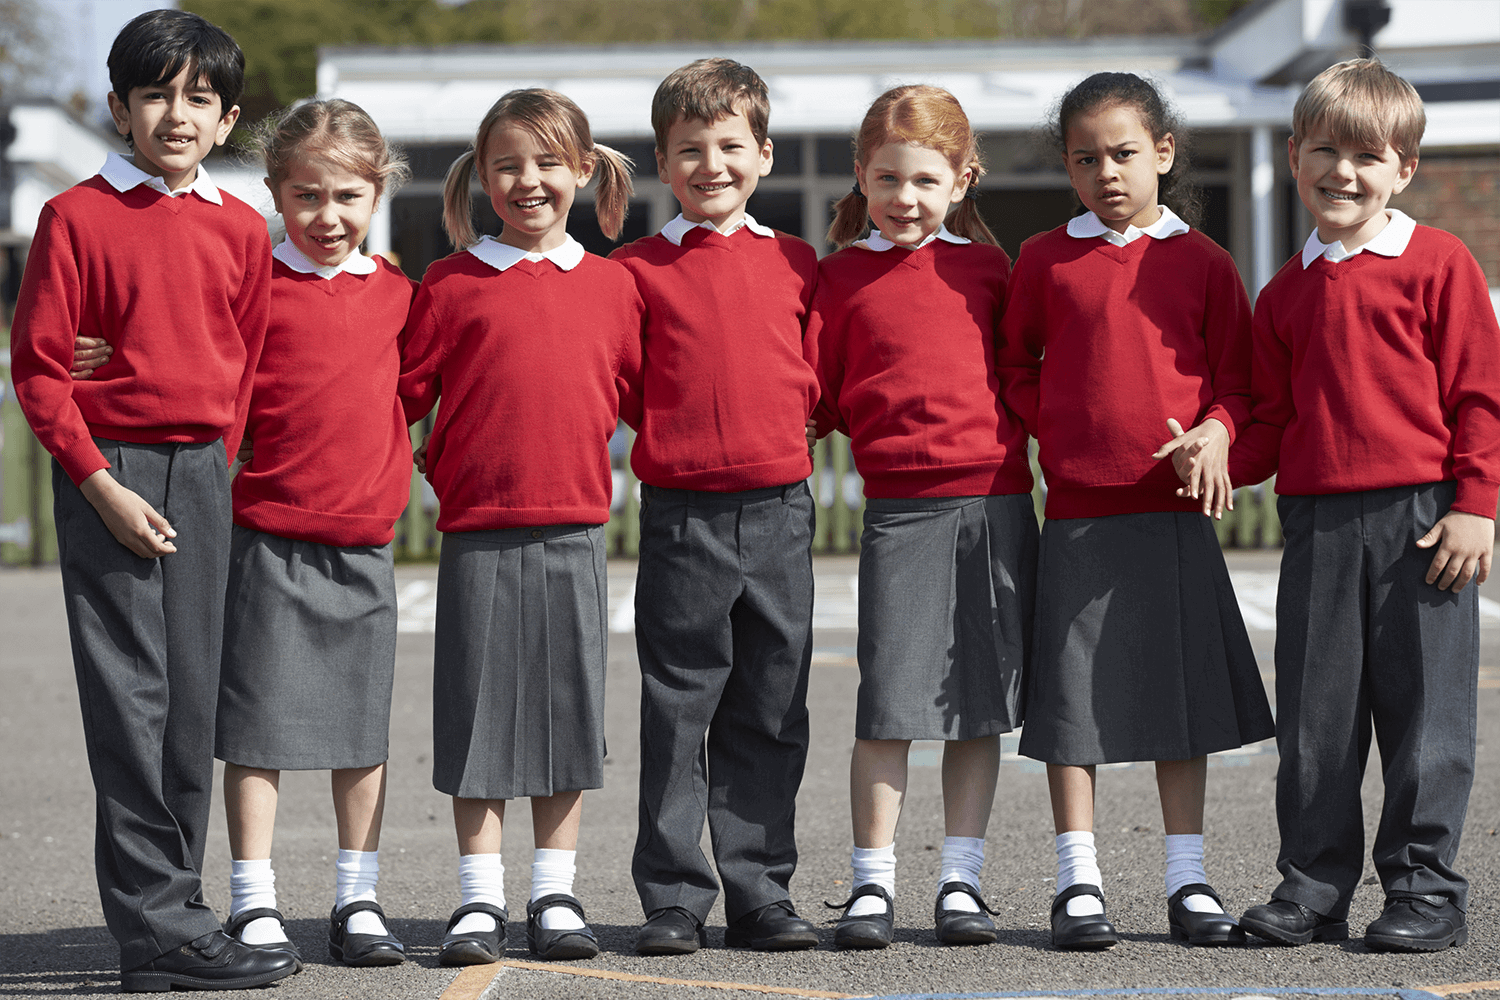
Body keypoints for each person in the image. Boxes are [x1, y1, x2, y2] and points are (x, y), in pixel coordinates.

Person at [6, 9, 296, 992]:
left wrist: (215, 463)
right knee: (130, 705)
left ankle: (177, 917)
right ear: (123, 109)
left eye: (199, 98)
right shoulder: (75, 217)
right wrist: (102, 486)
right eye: (156, 94)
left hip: (200, 473)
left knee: (186, 709)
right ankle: (157, 926)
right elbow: (42, 372)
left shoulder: (241, 227)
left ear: (226, 120)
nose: (177, 113)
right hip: (109, 471)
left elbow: (246, 361)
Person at [998, 71, 1275, 951]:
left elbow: (1240, 385)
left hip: (1175, 516)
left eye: (1123, 153)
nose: (1106, 173)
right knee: (1071, 704)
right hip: (1079, 514)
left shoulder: (1203, 261)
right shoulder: (1044, 258)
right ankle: (1077, 881)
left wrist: (1218, 431)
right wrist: (1064, 428)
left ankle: (1188, 881)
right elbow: (1016, 366)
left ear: (1163, 152)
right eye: (1086, 159)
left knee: (1177, 702)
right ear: (1069, 168)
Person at [1230, 58, 1500, 953]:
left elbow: (1480, 396)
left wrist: (1477, 504)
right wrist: (1220, 446)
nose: (1342, 171)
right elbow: (1270, 422)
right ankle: (1311, 887)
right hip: (1317, 525)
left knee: (1427, 719)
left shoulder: (1439, 262)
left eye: (1367, 155)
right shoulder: (1284, 293)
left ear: (1403, 170)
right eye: (1324, 150)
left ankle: (1425, 889)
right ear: (1294, 157)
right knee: (1316, 721)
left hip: (1427, 522)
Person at [400, 88, 641, 965]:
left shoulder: (616, 287)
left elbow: (655, 400)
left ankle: (555, 893)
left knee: (567, 719)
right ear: (482, 176)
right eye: (508, 165)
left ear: (582, 168)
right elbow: (394, 392)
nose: (527, 181)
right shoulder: (449, 283)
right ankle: (479, 899)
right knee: (476, 718)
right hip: (476, 532)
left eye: (546, 163)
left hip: (575, 530)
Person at [811, 84, 1035, 950]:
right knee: (891, 706)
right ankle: (872, 887)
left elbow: (1022, 372)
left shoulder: (991, 272)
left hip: (996, 507)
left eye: (925, 181)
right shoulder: (837, 278)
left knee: (977, 709)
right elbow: (816, 393)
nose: (905, 198)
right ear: (862, 178)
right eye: (888, 179)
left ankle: (960, 883)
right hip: (901, 514)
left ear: (963, 180)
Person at [610, 57, 821, 955]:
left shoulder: (800, 265)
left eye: (730, 146)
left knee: (771, 705)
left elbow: (820, 377)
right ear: (664, 162)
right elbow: (619, 382)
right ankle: (672, 896)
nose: (711, 164)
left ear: (764, 155)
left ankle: (760, 890)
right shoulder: (636, 270)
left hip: (780, 510)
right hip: (683, 516)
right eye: (689, 149)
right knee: (679, 706)